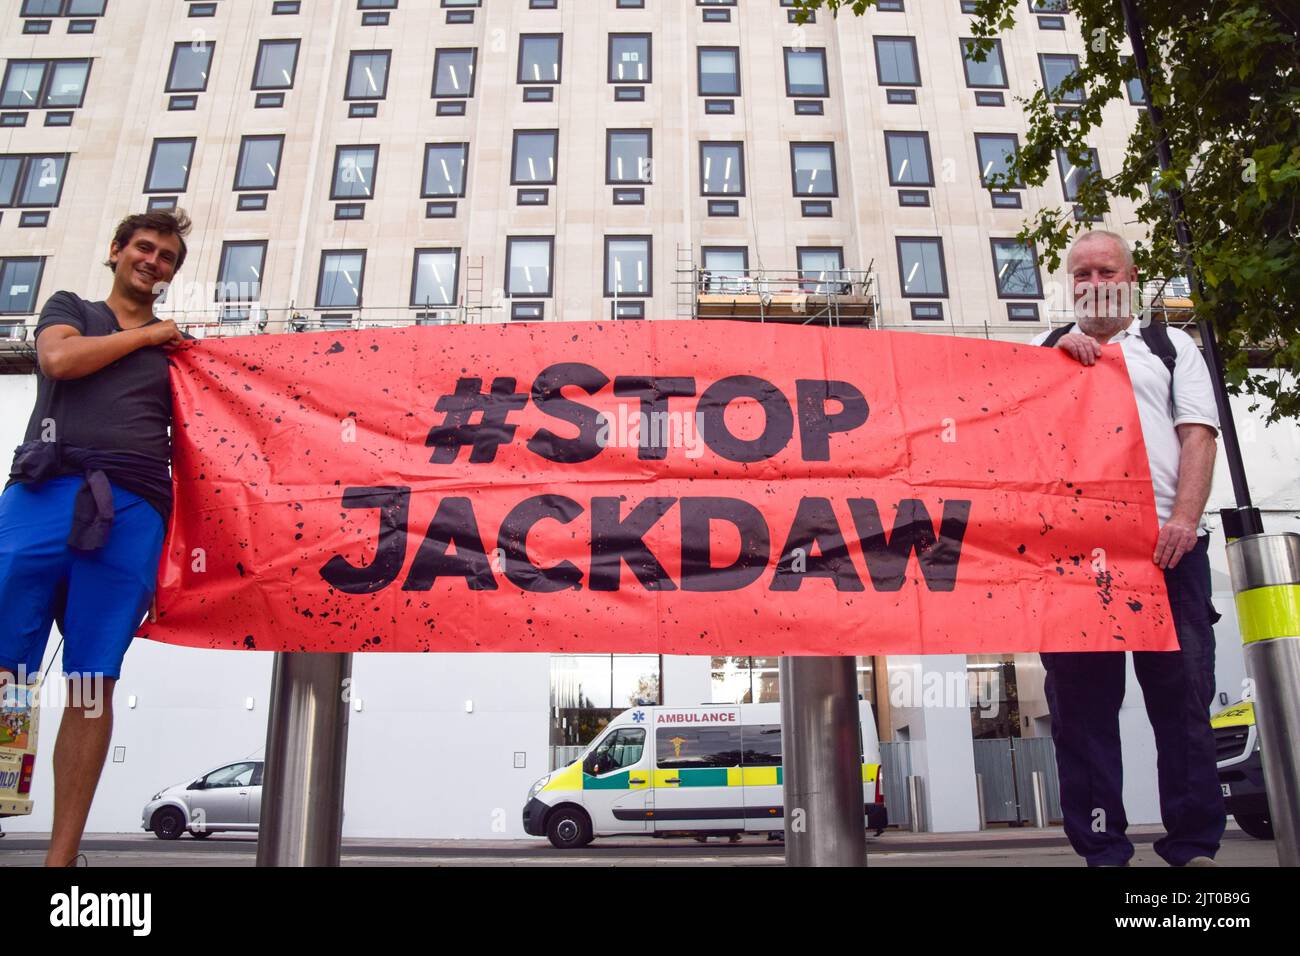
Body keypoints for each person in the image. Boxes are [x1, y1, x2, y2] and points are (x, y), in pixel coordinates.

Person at [0, 209, 191, 866]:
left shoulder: (179, 357)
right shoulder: (73, 308)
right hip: (45, 493)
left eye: (166, 256)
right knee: (7, 672)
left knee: (91, 682)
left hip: (132, 513)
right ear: (116, 251)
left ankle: (61, 859)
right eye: (144, 247)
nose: (153, 261)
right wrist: (150, 338)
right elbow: (56, 357)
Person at [1033, 229, 1225, 867]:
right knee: (1082, 710)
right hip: (1075, 562)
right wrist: (1054, 356)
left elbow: (1198, 436)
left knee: (1184, 698)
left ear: (1132, 275)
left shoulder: (1171, 348)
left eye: (1106, 270)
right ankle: (1102, 849)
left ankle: (1193, 844)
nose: (1094, 283)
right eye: (1081, 273)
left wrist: (1185, 519)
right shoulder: (1042, 352)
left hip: (1169, 552)